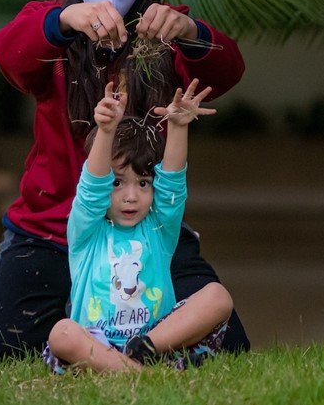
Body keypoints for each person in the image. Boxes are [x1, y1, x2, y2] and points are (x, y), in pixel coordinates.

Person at [0, 0, 249, 363]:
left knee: (231, 344)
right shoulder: (48, 25)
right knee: (0, 348)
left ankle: (125, 342)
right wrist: (63, 19)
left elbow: (229, 70)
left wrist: (190, 30)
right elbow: (8, 55)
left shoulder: (164, 31)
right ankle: (93, 331)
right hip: (53, 229)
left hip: (144, 229)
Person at [44, 79, 233, 373]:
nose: (130, 197)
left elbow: (172, 186)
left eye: (143, 183)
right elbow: (92, 190)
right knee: (62, 333)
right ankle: (135, 372)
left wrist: (178, 127)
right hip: (96, 342)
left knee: (218, 297)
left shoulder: (158, 229)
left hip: (155, 341)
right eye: (117, 183)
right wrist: (106, 131)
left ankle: (141, 355)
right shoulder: (87, 232)